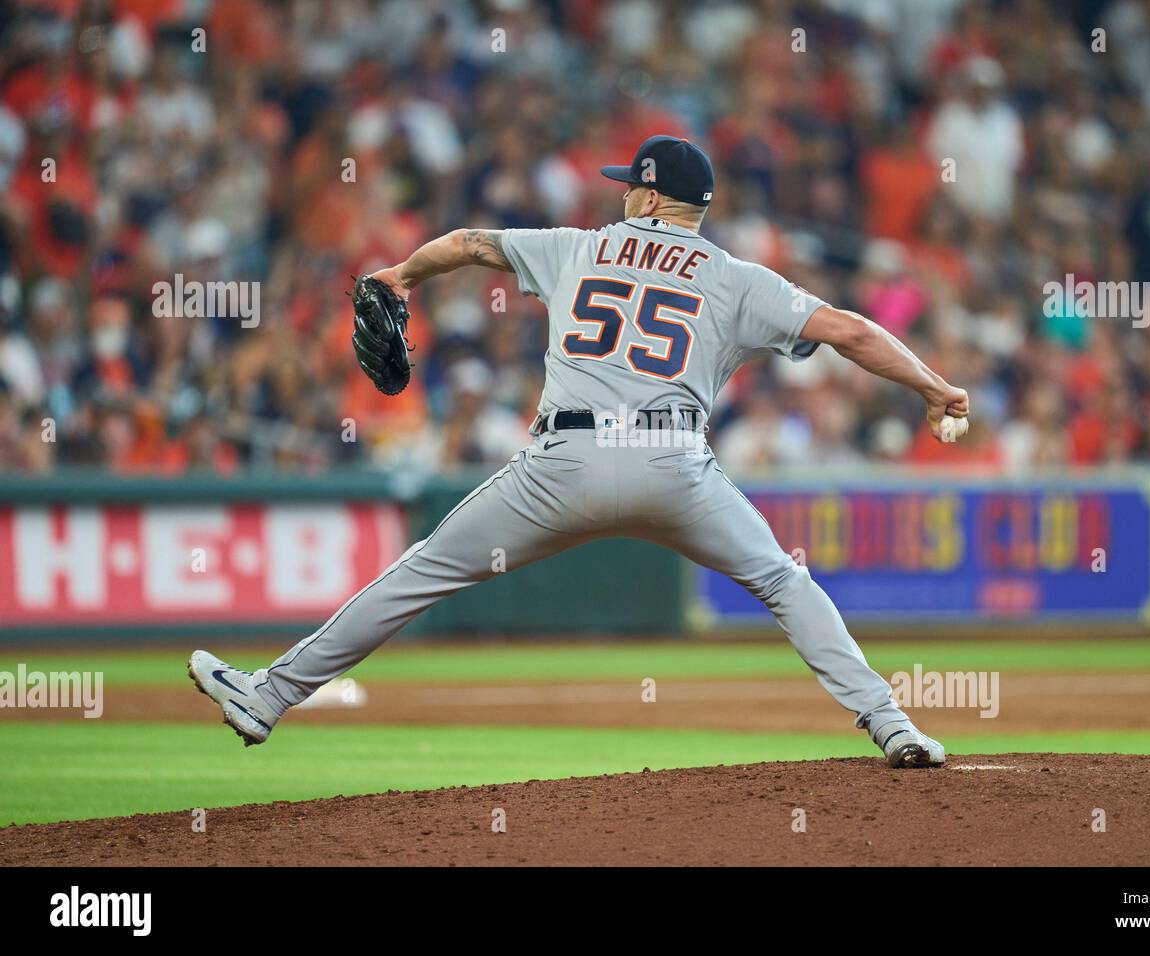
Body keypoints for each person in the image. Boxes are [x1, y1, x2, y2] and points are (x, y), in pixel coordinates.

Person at [189, 135, 970, 768]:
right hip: (674, 468)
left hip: (564, 463)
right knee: (780, 579)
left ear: (653, 197)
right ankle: (891, 722)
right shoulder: (736, 278)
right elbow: (853, 332)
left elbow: (468, 243)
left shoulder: (577, 246)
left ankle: (269, 697)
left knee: (422, 570)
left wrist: (402, 273)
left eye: (633, 183)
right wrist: (935, 389)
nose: (624, 191)